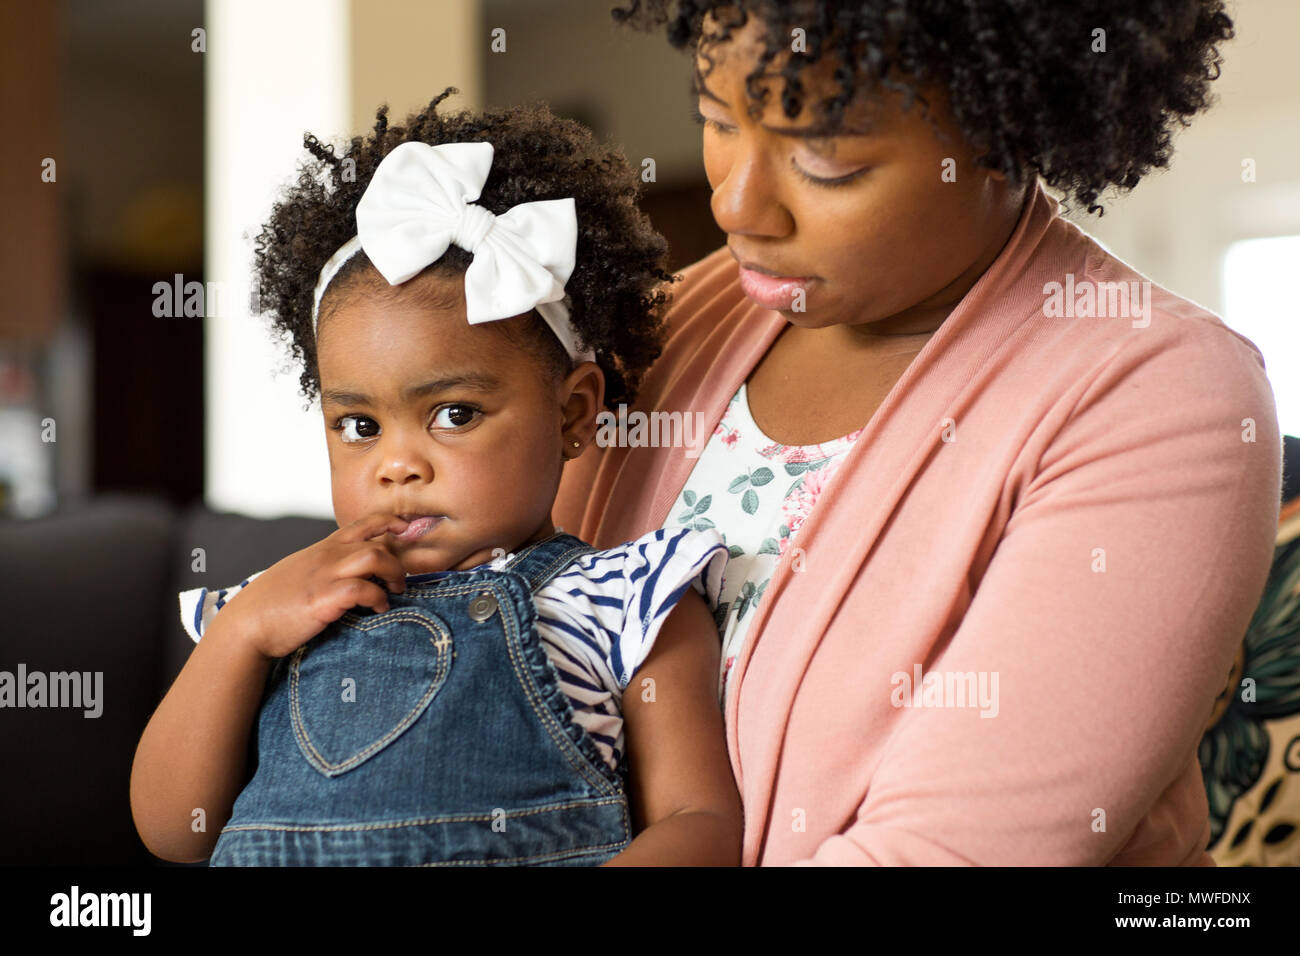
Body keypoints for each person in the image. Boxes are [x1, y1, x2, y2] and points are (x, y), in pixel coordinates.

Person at [552, 1, 1284, 864]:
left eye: (826, 161)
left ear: (1009, 128)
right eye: (716, 118)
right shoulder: (662, 330)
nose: (738, 204)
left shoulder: (1166, 396)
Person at [129, 90, 742, 866]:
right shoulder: (278, 610)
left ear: (573, 413)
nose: (395, 464)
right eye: (359, 425)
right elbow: (175, 831)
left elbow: (700, 823)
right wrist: (242, 633)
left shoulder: (626, 599)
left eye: (453, 414)